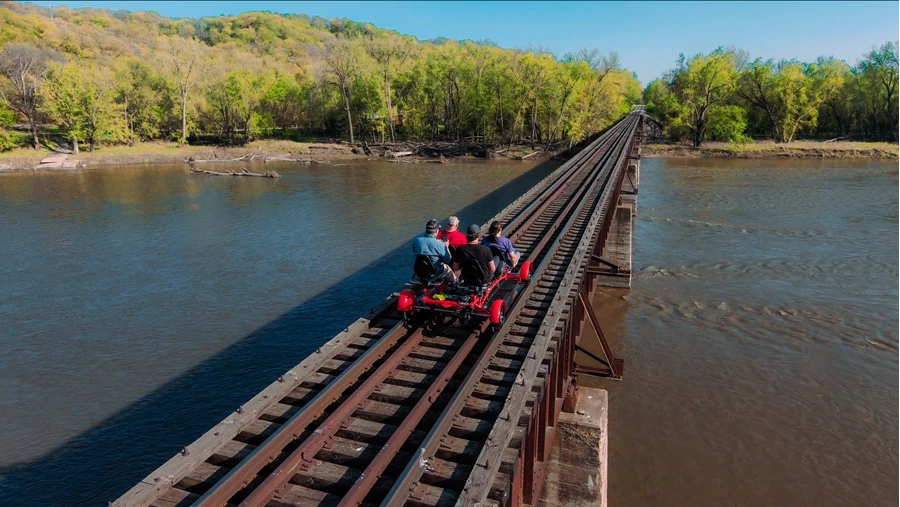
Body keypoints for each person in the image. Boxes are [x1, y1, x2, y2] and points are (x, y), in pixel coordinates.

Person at [411, 218, 454, 283]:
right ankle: (455, 284)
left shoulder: (415, 240)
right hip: (435, 273)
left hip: (420, 271)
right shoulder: (440, 244)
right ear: (437, 231)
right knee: (447, 268)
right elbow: (447, 260)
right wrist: (446, 247)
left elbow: (415, 251)